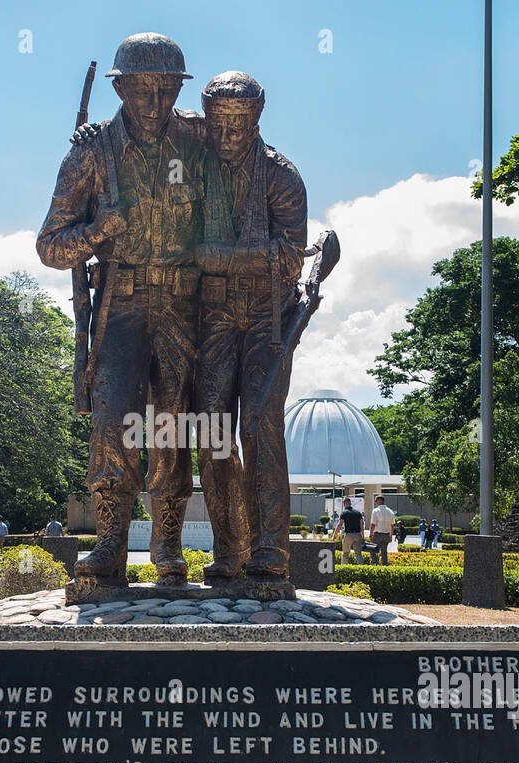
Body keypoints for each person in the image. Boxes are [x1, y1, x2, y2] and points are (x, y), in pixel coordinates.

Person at [38, 32, 207, 589]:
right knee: (112, 424)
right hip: (122, 306)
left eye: (164, 90)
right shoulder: (91, 153)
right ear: (121, 88)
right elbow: (50, 245)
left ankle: (167, 545)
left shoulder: (198, 143)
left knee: (172, 426)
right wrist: (98, 230)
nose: (154, 103)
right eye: (141, 91)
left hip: (185, 304)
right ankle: (110, 542)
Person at [192, 71, 308, 585]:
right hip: (212, 317)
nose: (230, 133)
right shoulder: (192, 168)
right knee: (212, 434)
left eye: (241, 122)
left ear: (258, 115)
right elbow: (146, 123)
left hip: (266, 318)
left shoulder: (282, 176)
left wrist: (217, 258)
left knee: (260, 428)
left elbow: (289, 262)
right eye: (220, 122)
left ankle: (270, 551)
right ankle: (228, 548)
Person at [333, 497, 365, 565]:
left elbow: (339, 525)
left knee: (345, 553)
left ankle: (344, 569)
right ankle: (361, 569)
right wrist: (363, 536)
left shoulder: (344, 513)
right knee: (358, 554)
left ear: (344, 504)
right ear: (350, 503)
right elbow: (362, 526)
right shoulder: (358, 513)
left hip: (348, 535)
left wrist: (334, 535)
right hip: (357, 534)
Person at [369, 495, 396, 565]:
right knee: (384, 552)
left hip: (377, 535)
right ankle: (384, 567)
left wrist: (370, 534)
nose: (375, 503)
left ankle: (375, 566)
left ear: (378, 501)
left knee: (373, 551)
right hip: (386, 535)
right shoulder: (390, 511)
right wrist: (391, 536)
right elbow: (392, 525)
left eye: (376, 501)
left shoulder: (376, 511)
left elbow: (373, 524)